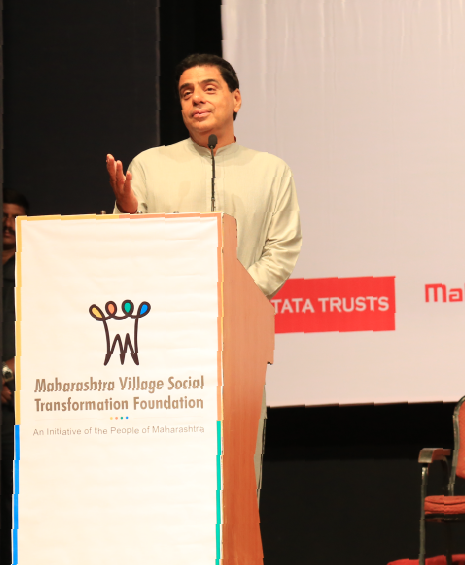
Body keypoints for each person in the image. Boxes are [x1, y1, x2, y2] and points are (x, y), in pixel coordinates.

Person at [105, 54, 301, 500]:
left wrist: (233, 296)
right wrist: (128, 212)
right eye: (186, 93)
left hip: (238, 340)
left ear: (236, 99)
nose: (196, 99)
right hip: (164, 341)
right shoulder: (150, 165)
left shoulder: (271, 171)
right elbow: (128, 249)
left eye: (209, 88)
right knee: (167, 475)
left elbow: (281, 249)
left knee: (237, 476)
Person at [0, 189, 29, 565]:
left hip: (16, 407)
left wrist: (3, 374)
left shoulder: (33, 273)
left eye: (16, 217)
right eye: (2, 215)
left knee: (12, 501)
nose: (8, 224)